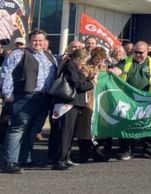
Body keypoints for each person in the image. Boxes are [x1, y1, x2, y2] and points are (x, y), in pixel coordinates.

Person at [1, 30, 57, 173]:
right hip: (23, 96)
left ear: (45, 41)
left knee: (33, 129)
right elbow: (6, 72)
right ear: (29, 40)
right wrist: (7, 93)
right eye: (34, 40)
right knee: (17, 128)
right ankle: (10, 162)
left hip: (44, 98)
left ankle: (25, 159)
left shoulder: (49, 56)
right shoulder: (18, 53)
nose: (37, 43)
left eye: (40, 40)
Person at [107, 41, 151, 160]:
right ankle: (126, 150)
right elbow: (118, 70)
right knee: (127, 124)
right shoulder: (126, 61)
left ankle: (148, 149)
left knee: (147, 124)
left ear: (147, 51)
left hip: (148, 99)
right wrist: (113, 72)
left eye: (141, 52)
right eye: (136, 52)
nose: (138, 55)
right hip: (128, 99)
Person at [48, 49, 95, 170]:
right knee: (64, 131)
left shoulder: (73, 66)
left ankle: (65, 157)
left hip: (73, 103)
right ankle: (59, 159)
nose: (84, 63)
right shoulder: (70, 66)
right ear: (78, 59)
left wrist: (87, 79)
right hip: (67, 102)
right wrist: (90, 83)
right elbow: (77, 83)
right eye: (83, 61)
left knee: (70, 132)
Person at [75, 47, 110, 163]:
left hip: (100, 100)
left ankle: (97, 151)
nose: (99, 61)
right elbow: (81, 81)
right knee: (85, 127)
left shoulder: (104, 68)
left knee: (98, 127)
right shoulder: (85, 67)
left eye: (101, 59)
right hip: (88, 99)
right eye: (97, 59)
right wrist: (90, 77)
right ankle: (83, 153)